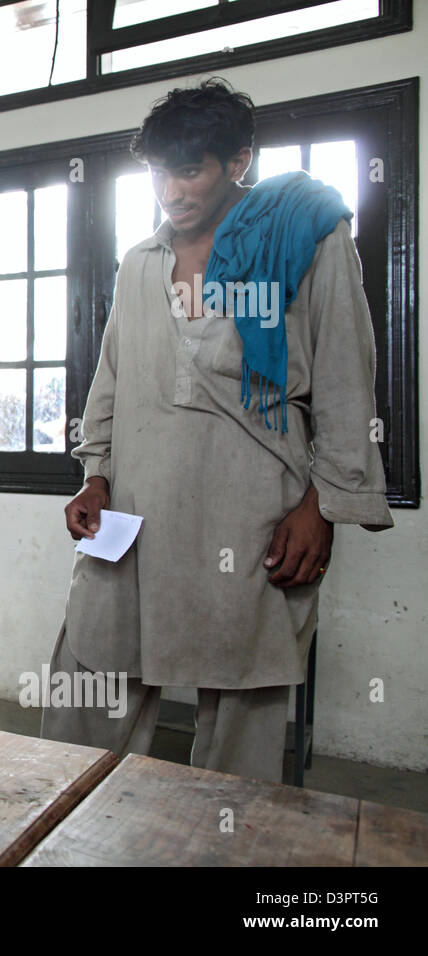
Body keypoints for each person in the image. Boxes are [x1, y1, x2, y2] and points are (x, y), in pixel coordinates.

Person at [41, 79, 392, 781]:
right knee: (90, 674)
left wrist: (322, 506)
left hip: (251, 508)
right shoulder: (141, 263)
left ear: (239, 161)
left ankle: (231, 853)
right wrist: (97, 474)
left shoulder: (305, 242)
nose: (171, 190)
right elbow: (111, 380)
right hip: (136, 508)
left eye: (190, 169)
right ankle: (64, 839)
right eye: (159, 171)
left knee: (242, 707)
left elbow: (348, 380)